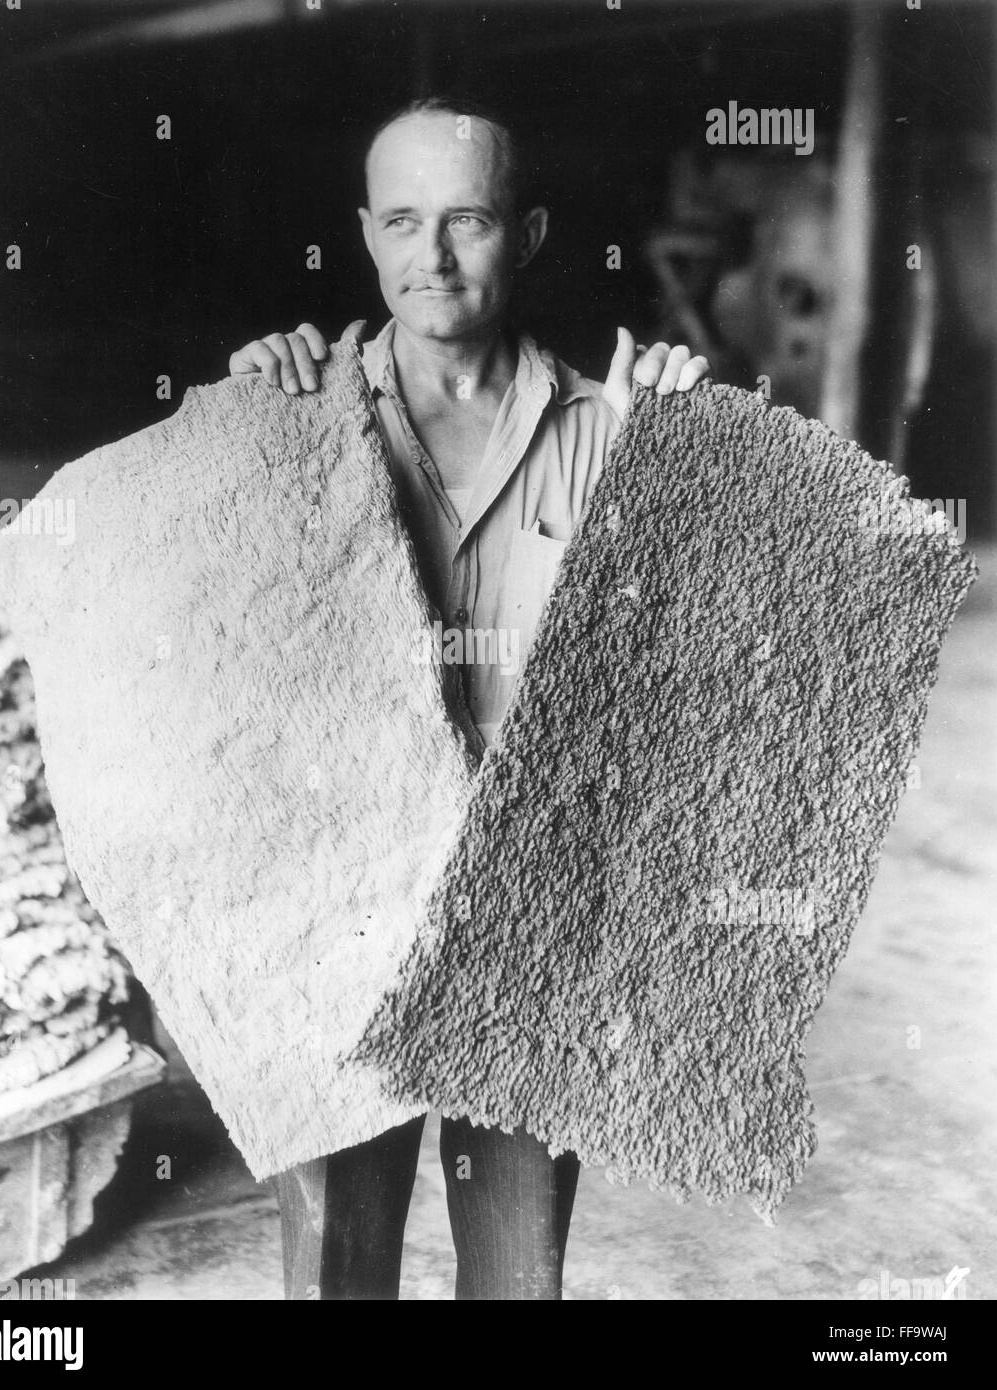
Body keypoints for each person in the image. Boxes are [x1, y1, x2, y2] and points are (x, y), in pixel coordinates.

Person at [228, 95, 710, 1301]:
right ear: (365, 232)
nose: (430, 257)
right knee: (337, 1247)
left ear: (531, 233)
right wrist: (232, 419)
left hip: (534, 893)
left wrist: (695, 445)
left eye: (469, 221)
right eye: (401, 221)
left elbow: (690, 659)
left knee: (517, 1255)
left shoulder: (611, 431)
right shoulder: (302, 414)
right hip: (344, 892)